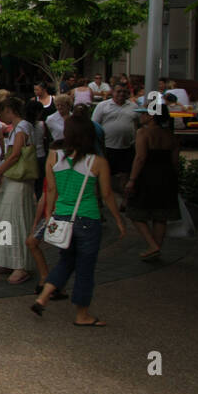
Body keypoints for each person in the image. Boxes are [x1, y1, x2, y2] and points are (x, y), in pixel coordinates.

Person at [32, 117, 126, 325]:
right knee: (85, 268)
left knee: (66, 260)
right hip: (88, 219)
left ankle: (43, 297)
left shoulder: (54, 157)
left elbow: (50, 189)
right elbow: (107, 193)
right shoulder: (97, 162)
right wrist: (118, 220)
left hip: (62, 216)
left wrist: (49, 214)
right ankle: (82, 314)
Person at [0, 96, 35, 285]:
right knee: (7, 221)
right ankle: (10, 260)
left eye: (2, 112)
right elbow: (11, 157)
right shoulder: (20, 128)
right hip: (13, 179)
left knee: (15, 220)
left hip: (18, 182)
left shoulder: (22, 128)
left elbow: (14, 156)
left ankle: (20, 264)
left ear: (10, 110)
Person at [126, 105, 180, 261]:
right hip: (167, 177)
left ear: (151, 116)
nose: (141, 116)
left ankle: (152, 245)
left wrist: (132, 179)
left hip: (147, 176)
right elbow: (175, 162)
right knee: (160, 215)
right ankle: (156, 247)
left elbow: (140, 157)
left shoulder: (143, 133)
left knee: (134, 212)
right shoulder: (171, 135)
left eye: (144, 113)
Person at [92, 83, 140, 194]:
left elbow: (139, 123)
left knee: (125, 174)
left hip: (127, 147)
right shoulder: (102, 106)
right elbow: (94, 125)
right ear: (112, 92)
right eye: (118, 91)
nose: (121, 94)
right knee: (103, 175)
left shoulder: (134, 107)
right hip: (107, 147)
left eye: (124, 91)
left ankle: (124, 200)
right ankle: (101, 199)